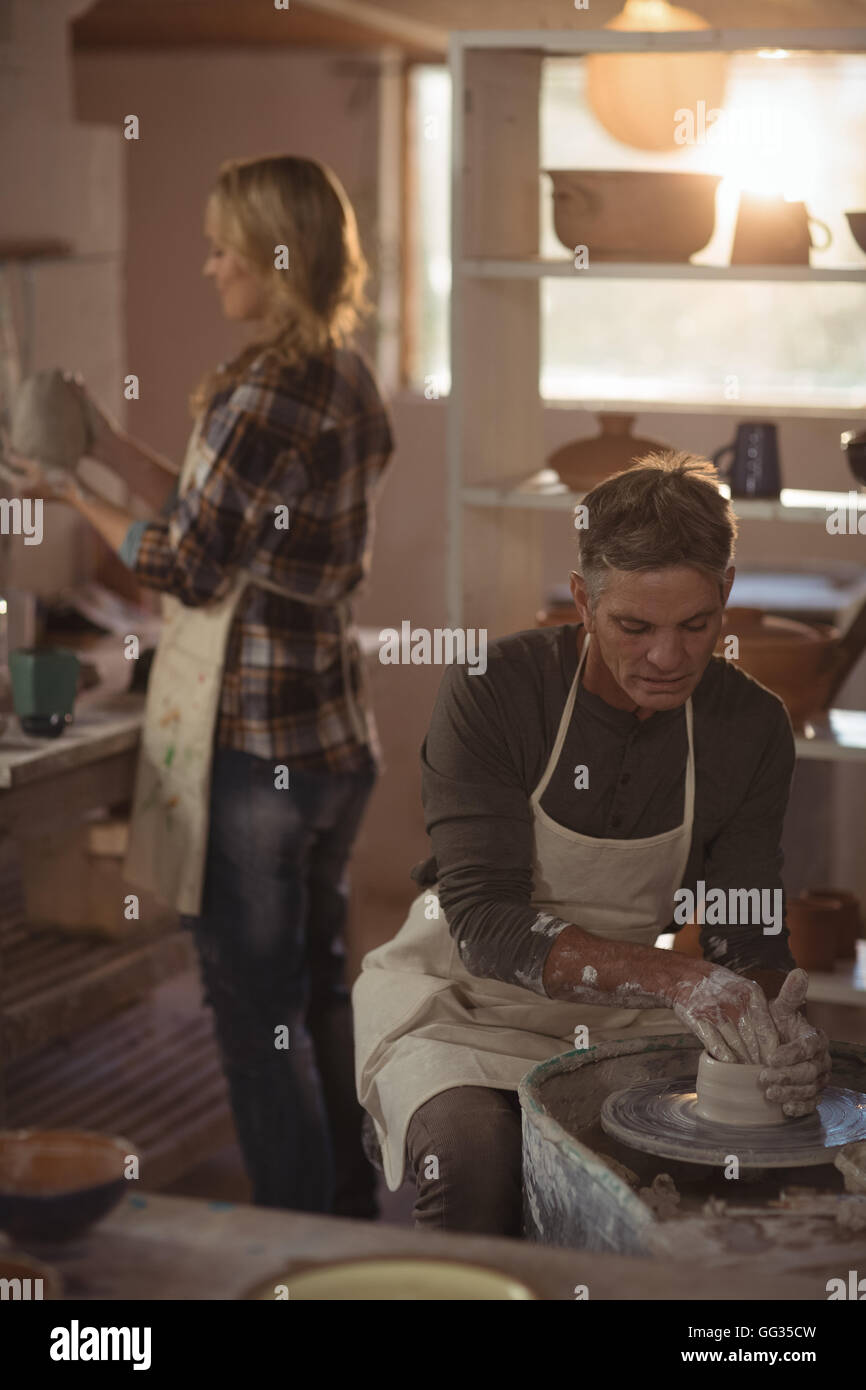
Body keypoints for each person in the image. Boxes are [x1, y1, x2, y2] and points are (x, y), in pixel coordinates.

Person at [14, 155, 395, 1218]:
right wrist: (99, 444)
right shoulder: (339, 375)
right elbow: (208, 504)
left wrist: (66, 493)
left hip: (257, 751)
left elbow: (185, 559)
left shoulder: (259, 392)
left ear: (279, 258)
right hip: (331, 741)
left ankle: (288, 1239)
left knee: (249, 1009)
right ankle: (346, 1223)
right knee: (313, 992)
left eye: (227, 244)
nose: (210, 262)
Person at [353, 452, 829, 1236]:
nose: (669, 658)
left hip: (628, 1020)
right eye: (634, 627)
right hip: (463, 1005)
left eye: (696, 625)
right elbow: (486, 925)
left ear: (727, 594)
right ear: (582, 600)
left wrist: (780, 1028)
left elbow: (746, 932)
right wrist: (681, 979)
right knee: (476, 1171)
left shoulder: (749, 726)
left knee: (707, 1185)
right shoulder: (494, 688)